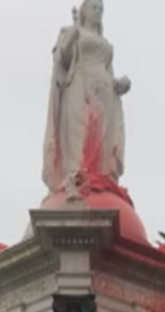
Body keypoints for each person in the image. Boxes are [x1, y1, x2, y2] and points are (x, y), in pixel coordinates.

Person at [42, 0, 131, 199]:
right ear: (84, 11)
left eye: (101, 9)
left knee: (101, 140)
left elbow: (109, 71)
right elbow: (63, 59)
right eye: (94, 7)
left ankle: (99, 183)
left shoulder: (105, 43)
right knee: (79, 134)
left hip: (105, 93)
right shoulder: (71, 32)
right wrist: (73, 32)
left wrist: (120, 83)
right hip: (79, 87)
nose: (98, 12)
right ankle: (75, 183)